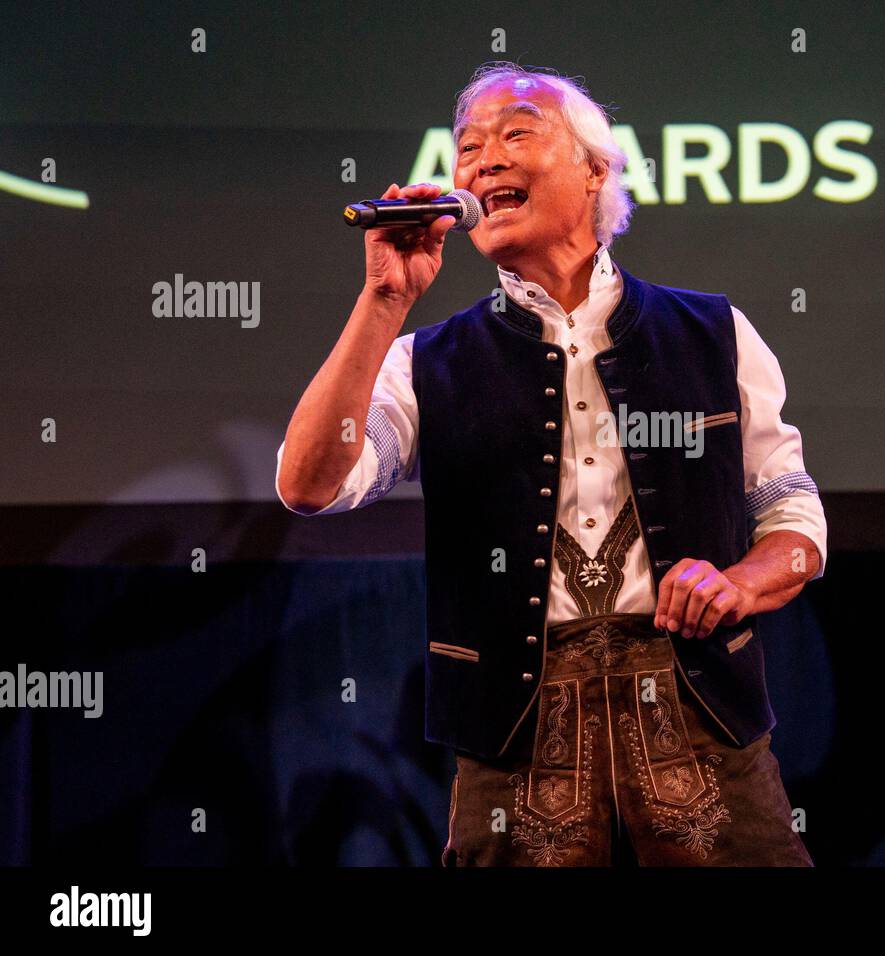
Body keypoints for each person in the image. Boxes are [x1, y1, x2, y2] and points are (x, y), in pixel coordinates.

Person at [275, 61, 828, 866]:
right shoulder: (425, 360)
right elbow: (308, 484)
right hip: (514, 742)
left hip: (702, 725)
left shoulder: (714, 333)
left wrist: (739, 583)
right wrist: (385, 300)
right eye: (467, 147)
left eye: (516, 134)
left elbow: (794, 518)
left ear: (596, 169)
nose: (482, 160)